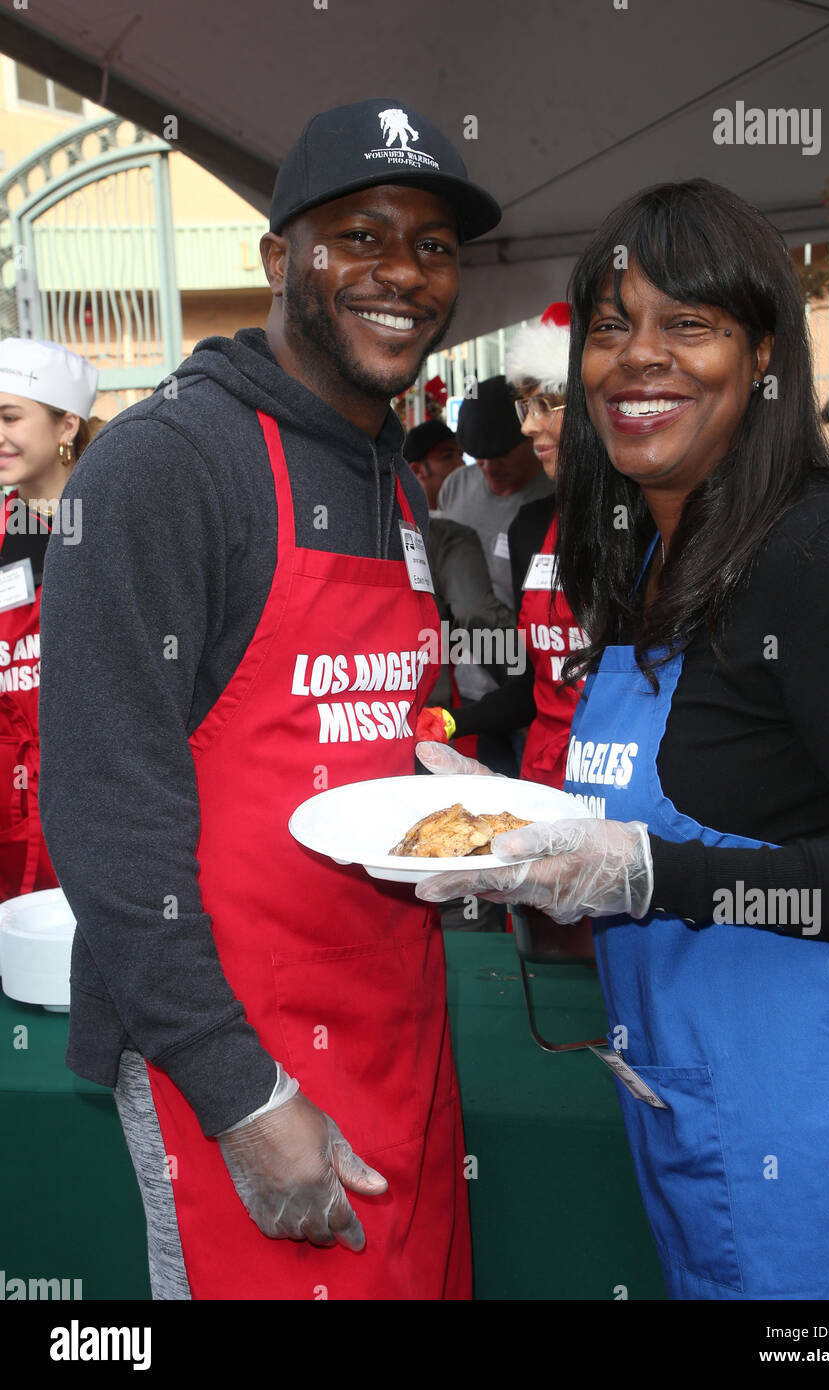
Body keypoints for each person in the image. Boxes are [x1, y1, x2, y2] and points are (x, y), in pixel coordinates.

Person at [415, 179, 829, 1299]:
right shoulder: (650, 561)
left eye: (686, 324)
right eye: (610, 327)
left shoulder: (823, 553)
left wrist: (650, 872)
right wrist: (518, 825)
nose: (637, 358)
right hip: (700, 1097)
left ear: (761, 354)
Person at [38, 98, 501, 1301]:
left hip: (396, 1022)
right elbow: (104, 801)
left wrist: (450, 780)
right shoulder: (169, 464)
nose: (400, 271)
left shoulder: (390, 475)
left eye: (433, 244)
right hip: (241, 1057)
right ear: (278, 258)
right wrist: (239, 1092)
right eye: (359, 234)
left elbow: (385, 714)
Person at [419, 303, 586, 789]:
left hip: (613, 789)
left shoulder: (648, 525)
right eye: (525, 407)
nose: (530, 426)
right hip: (541, 776)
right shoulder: (531, 527)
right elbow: (537, 684)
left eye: (544, 406)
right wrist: (454, 721)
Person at [0, 339, 98, 900]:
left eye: (11, 416)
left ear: (66, 426)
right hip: (12, 802)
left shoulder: (112, 520)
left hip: (95, 789)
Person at [437, 375, 553, 773]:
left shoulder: (548, 499)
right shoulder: (456, 487)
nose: (487, 467)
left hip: (531, 693)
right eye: (477, 456)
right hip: (466, 690)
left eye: (500, 455)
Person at [403, 418, 513, 709]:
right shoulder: (448, 536)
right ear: (416, 470)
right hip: (445, 698)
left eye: (460, 453)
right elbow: (475, 613)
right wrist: (522, 687)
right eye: (447, 456)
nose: (461, 464)